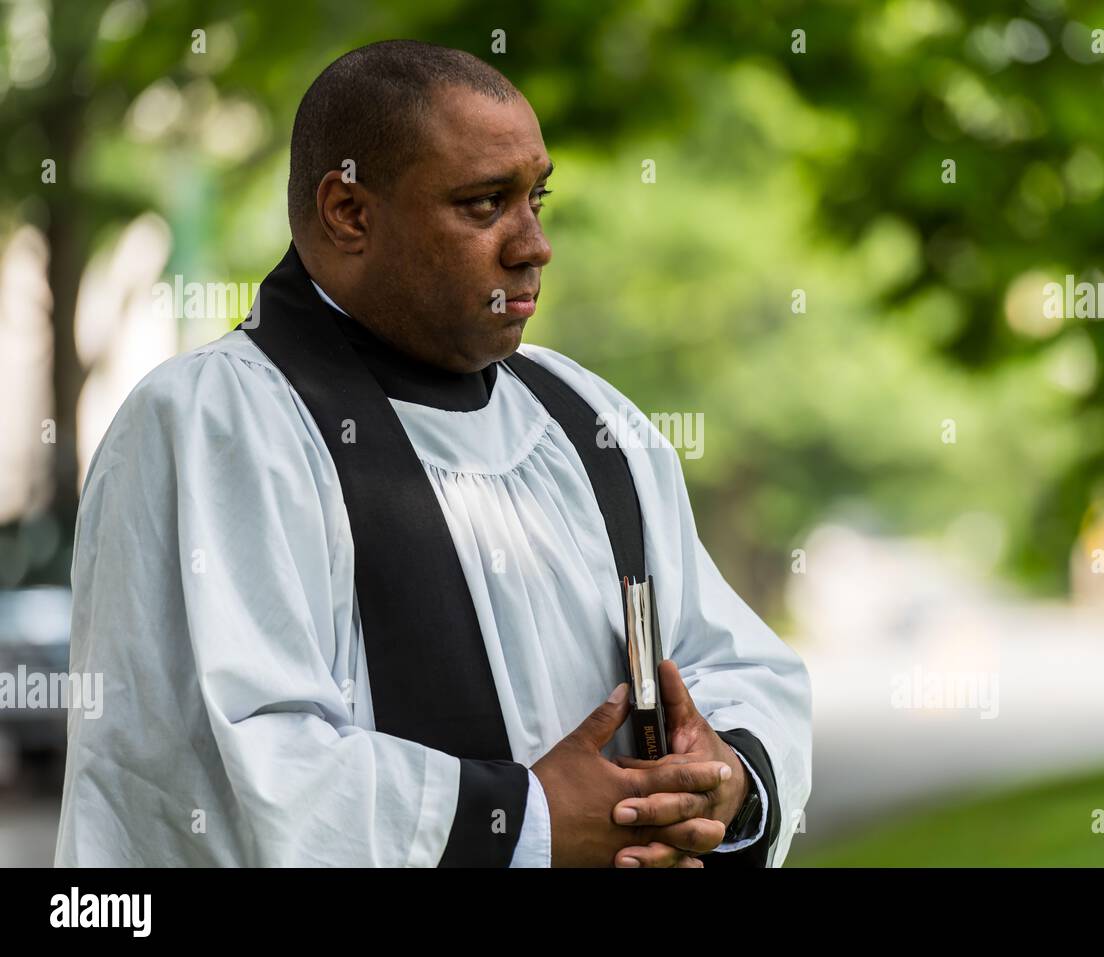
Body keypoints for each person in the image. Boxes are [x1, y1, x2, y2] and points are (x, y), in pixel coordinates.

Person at [53, 40, 811, 868]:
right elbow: (216, 772)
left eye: (537, 198)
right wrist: (525, 823)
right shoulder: (213, 425)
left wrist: (722, 780)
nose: (534, 245)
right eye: (486, 205)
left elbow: (733, 661)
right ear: (349, 211)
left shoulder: (590, 420)